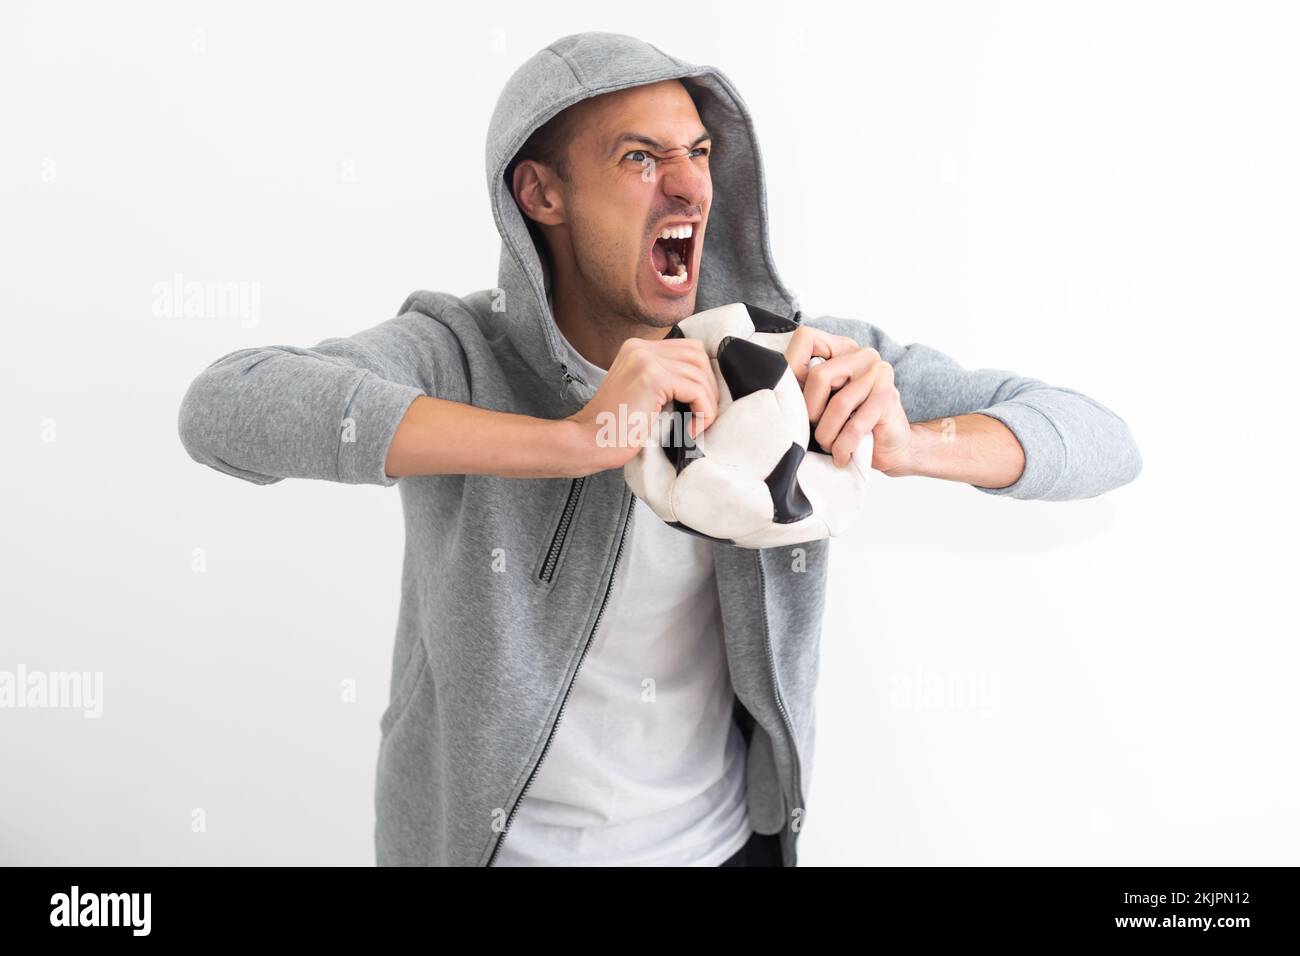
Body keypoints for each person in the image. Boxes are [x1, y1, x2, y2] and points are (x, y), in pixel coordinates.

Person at [177, 31, 1142, 867]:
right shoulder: (461, 351)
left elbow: (1103, 441)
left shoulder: (783, 361)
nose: (689, 185)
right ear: (540, 194)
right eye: (640, 158)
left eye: (699, 151)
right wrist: (570, 439)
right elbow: (226, 407)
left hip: (724, 849)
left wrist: (907, 442)